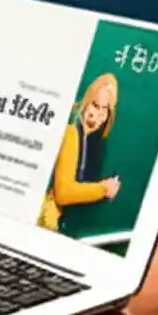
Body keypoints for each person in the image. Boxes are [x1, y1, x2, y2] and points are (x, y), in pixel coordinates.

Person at [40, 73, 121, 231]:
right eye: (95, 105)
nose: (97, 115)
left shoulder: (90, 139)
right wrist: (103, 189)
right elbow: (63, 193)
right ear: (86, 101)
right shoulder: (71, 131)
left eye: (105, 110)